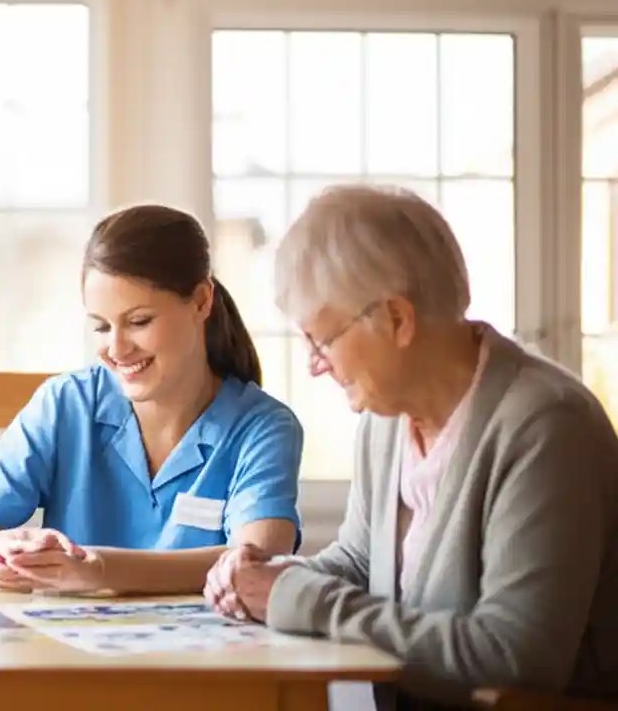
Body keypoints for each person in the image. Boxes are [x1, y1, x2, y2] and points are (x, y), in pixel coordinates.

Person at [205, 184, 618, 708]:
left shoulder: (546, 426)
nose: (315, 363)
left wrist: (300, 598)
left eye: (322, 340)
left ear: (397, 319)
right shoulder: (387, 419)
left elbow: (516, 659)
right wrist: (266, 577)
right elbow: (360, 562)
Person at [0, 204, 303, 595]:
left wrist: (97, 571)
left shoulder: (263, 427)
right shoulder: (65, 405)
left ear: (201, 301)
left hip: (205, 657)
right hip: (70, 654)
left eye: (138, 322)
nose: (116, 348)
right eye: (100, 326)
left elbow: (258, 563)